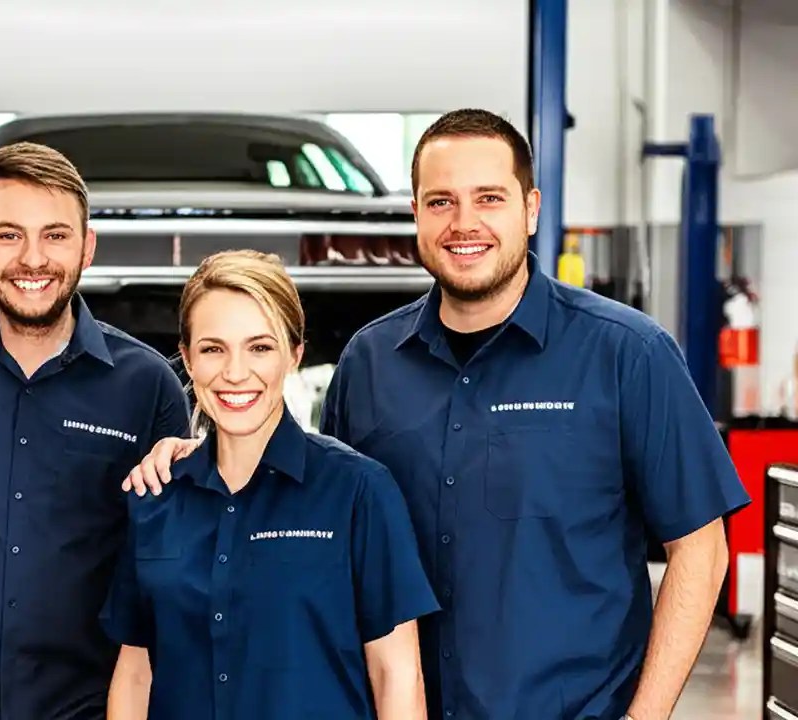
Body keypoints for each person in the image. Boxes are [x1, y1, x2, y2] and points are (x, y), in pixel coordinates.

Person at [122, 109, 750, 720]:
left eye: (489, 198)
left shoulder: (626, 353)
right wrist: (192, 455)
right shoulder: (370, 362)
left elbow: (700, 548)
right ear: (415, 213)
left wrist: (646, 716)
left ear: (530, 210)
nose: (464, 222)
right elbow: (313, 503)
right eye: (442, 201)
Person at [0, 141, 190, 720]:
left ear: (86, 247)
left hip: (83, 704)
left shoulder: (146, 386)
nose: (33, 258)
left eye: (55, 235)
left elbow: (169, 567)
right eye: (8, 235)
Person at [100, 250, 436, 719]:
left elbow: (396, 676)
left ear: (294, 355)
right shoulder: (155, 496)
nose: (236, 373)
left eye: (260, 347)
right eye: (213, 348)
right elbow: (137, 673)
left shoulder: (359, 492)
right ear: (187, 358)